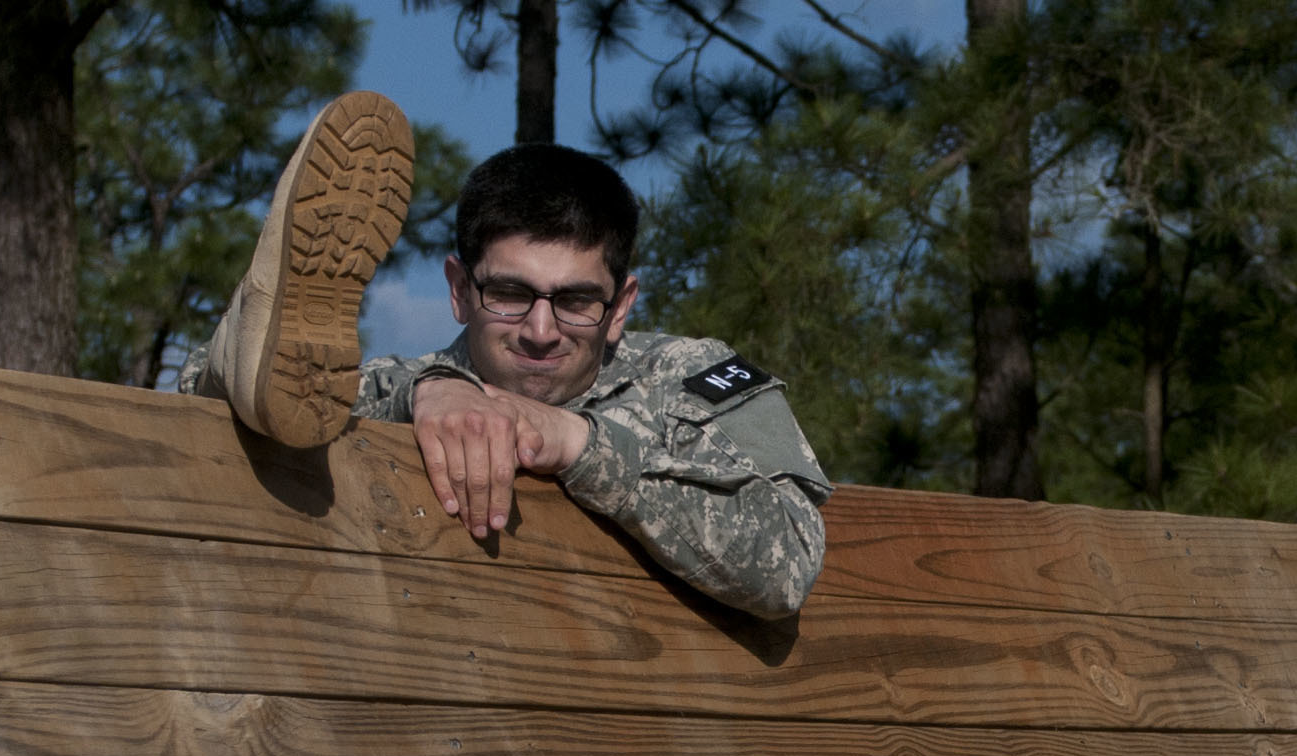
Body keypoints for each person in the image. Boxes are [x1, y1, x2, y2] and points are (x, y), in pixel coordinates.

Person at [182, 92, 832, 619]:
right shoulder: (388, 389)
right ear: (459, 291)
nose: (541, 330)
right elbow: (200, 399)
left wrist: (579, 444)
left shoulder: (690, 379)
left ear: (622, 306)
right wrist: (428, 390)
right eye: (511, 294)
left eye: (576, 300)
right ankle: (255, 307)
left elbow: (790, 559)